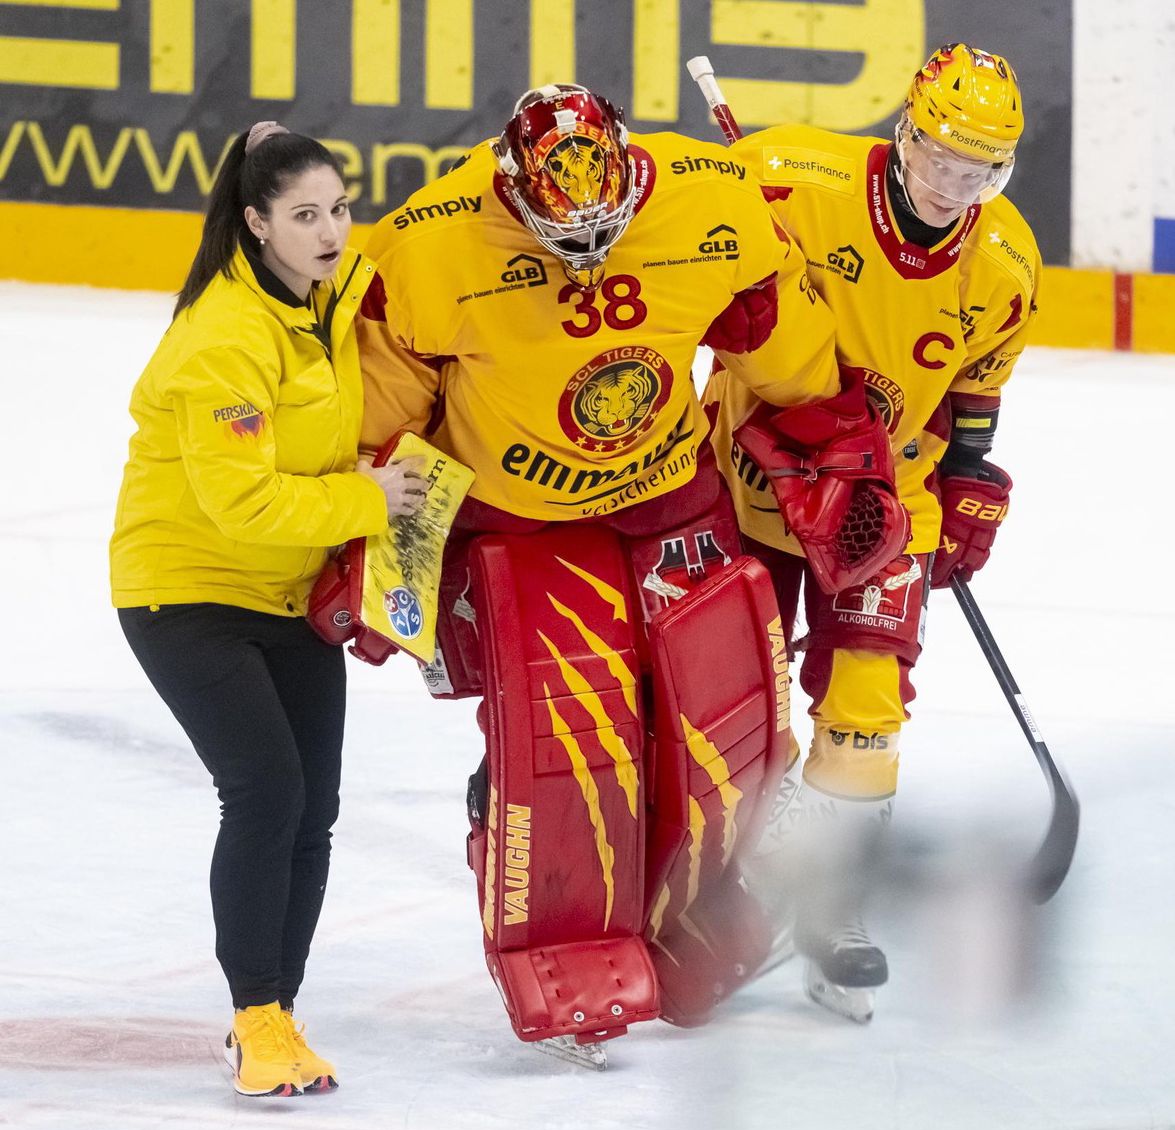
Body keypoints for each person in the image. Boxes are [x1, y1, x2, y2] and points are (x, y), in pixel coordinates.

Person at [351, 83, 900, 1067]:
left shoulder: (706, 201)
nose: (588, 257)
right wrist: (382, 553)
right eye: (564, 239)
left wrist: (833, 436)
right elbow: (383, 420)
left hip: (671, 500)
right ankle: (554, 925)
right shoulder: (426, 248)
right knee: (560, 742)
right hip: (520, 526)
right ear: (512, 186)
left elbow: (767, 337)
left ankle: (704, 916)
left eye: (604, 233)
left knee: (723, 730)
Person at [704, 43, 1042, 1021]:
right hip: (749, 480)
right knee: (726, 708)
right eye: (940, 158)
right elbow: (686, 275)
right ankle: (697, 881)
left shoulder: (1004, 262)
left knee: (865, 709)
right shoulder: (785, 179)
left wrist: (970, 475)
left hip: (887, 502)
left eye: (979, 170)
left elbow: (971, 391)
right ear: (903, 131)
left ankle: (831, 900)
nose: (953, 187)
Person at [109, 120, 428, 1096]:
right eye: (303, 215)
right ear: (255, 224)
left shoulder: (317, 295)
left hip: (288, 590)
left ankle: (274, 1012)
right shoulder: (224, 338)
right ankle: (256, 1018)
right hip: (187, 591)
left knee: (313, 808)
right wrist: (371, 499)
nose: (332, 230)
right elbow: (241, 504)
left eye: (337, 208)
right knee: (266, 791)